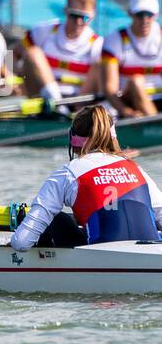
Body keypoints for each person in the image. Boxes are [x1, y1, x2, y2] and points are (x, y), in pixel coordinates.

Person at [9, 105, 162, 249]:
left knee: (58, 219)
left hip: (100, 258)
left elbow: (21, 242)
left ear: (72, 138)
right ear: (113, 137)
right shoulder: (136, 169)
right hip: (150, 254)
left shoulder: (67, 174)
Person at [17, 0, 103, 104]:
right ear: (65, 11)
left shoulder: (97, 44)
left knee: (101, 65)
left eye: (84, 18)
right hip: (41, 99)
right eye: (74, 15)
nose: (78, 22)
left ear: (92, 17)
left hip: (78, 103)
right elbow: (11, 54)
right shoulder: (44, 31)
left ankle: (67, 109)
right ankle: (55, 101)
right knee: (33, 53)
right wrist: (11, 79)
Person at [101, 0, 161, 118]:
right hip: (129, 102)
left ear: (156, 15)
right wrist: (125, 111)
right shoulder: (115, 39)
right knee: (136, 81)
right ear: (130, 13)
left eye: (149, 15)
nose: (144, 20)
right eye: (140, 14)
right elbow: (110, 88)